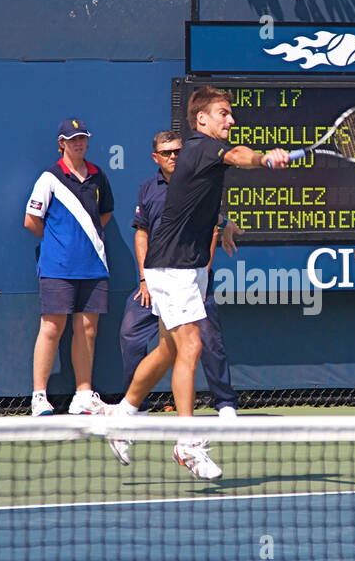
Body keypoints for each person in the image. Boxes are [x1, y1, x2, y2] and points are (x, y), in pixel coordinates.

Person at [108, 89, 288, 479]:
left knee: (169, 350)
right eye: (224, 113)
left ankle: (121, 416)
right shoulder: (201, 146)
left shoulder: (201, 156)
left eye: (231, 114)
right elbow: (241, 155)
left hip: (187, 265)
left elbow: (197, 203)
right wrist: (263, 157)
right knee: (192, 342)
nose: (231, 120)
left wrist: (222, 225)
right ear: (201, 120)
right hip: (171, 265)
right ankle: (187, 442)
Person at [119, 130, 240, 418]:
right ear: (156, 157)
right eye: (167, 152)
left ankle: (223, 404)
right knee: (161, 340)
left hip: (193, 274)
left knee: (177, 348)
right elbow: (142, 234)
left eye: (177, 151)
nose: (173, 156)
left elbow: (208, 220)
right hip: (163, 274)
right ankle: (181, 434)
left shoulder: (196, 182)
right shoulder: (149, 189)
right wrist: (144, 280)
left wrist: (226, 224)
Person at [24, 117, 114, 416]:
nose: (79, 143)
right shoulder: (49, 178)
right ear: (62, 144)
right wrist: (59, 243)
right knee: (52, 328)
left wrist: (87, 241)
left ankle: (83, 395)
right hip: (57, 268)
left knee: (87, 330)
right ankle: (39, 396)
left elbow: (106, 214)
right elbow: (31, 220)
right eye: (73, 139)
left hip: (94, 266)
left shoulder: (99, 175)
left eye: (83, 138)